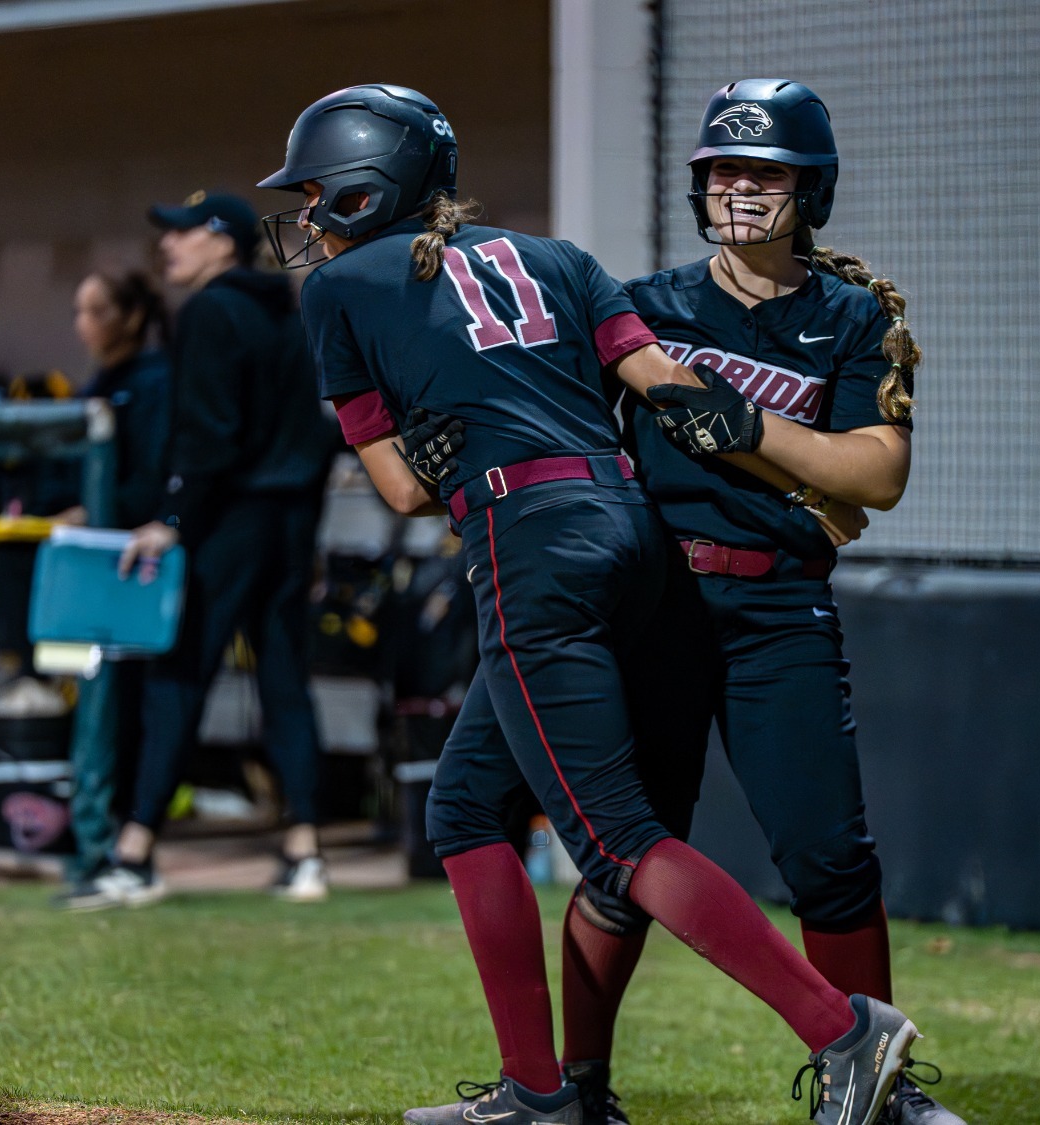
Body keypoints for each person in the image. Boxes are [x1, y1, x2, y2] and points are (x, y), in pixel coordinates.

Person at [236, 83, 920, 1125]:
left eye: (322, 192)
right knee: (467, 807)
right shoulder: (571, 263)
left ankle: (843, 1033)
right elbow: (640, 386)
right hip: (643, 559)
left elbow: (403, 488)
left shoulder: (338, 290)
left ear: (371, 190)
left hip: (583, 554)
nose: (310, 214)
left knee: (624, 845)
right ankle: (548, 1093)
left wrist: (734, 432)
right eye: (725, 172)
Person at [529, 78, 959, 1125]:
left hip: (778, 612)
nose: (738, 189)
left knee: (828, 855)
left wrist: (745, 429)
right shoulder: (643, 308)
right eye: (722, 169)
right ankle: (577, 1091)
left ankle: (875, 1091)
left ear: (810, 189)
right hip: (655, 607)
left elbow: (875, 475)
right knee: (623, 853)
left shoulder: (854, 318)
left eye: (763, 171)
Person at [69, 192, 339, 909]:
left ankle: (134, 854)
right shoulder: (288, 307)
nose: (169, 247)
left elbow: (208, 433)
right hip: (290, 517)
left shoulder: (211, 312)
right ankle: (305, 848)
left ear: (222, 242)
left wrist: (173, 517)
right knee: (283, 679)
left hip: (230, 517)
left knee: (179, 674)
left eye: (183, 234)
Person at [63, 270, 174, 528]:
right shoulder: (92, 388)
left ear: (133, 317)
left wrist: (98, 511)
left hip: (133, 529)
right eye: (78, 312)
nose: (83, 323)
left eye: (97, 311)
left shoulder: (157, 383)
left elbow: (151, 474)